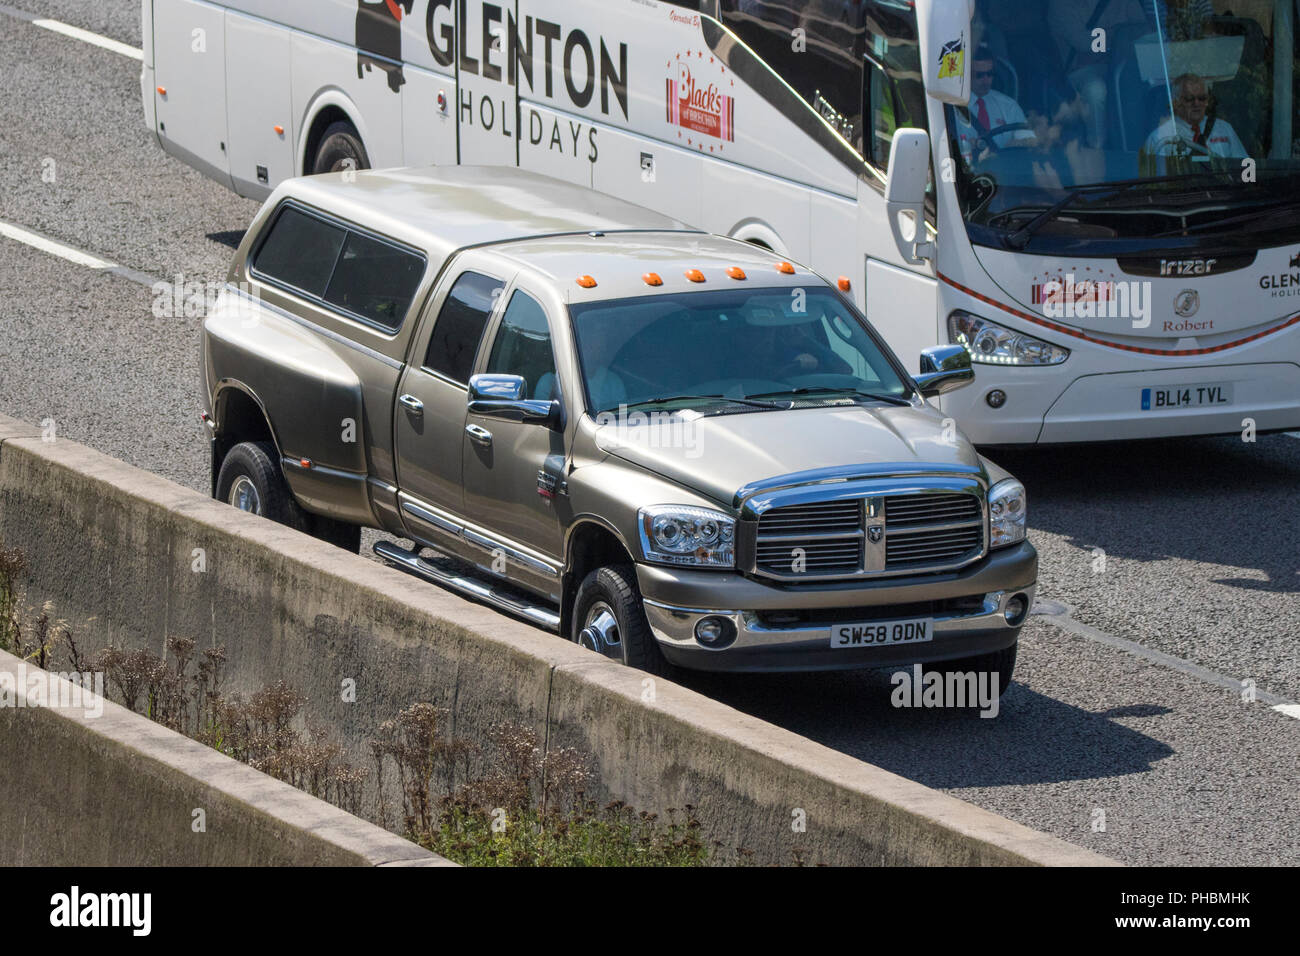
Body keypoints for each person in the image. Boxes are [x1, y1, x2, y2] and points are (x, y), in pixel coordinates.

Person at [954, 46, 1037, 163]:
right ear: (965, 75)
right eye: (979, 75)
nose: (986, 80)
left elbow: (1030, 142)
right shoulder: (950, 107)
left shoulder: (1008, 106)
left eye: (990, 74)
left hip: (1007, 175)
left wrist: (1014, 146)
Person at [1142, 73, 1246, 164]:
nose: (1196, 103)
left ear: (1207, 101)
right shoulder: (1160, 138)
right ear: (1175, 102)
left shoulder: (1224, 129)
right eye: (1189, 99)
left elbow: (1243, 167)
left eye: (1201, 98)